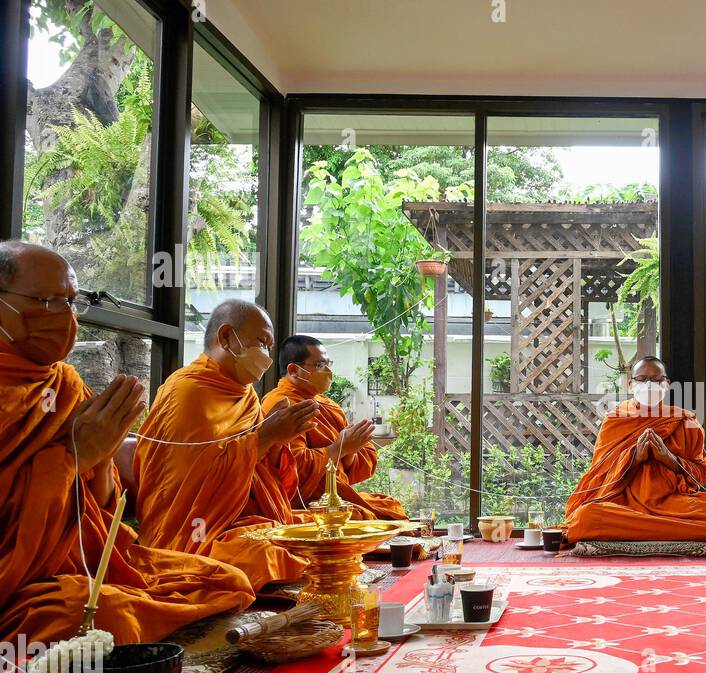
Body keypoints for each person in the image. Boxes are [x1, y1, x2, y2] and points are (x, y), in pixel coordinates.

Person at [0, 241, 253, 645]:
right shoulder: (191, 389)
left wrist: (98, 460)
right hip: (18, 581)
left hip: (90, 561)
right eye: (48, 301)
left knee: (228, 581)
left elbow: (101, 509)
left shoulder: (63, 384)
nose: (66, 317)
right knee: (103, 615)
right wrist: (73, 459)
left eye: (72, 302)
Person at [134, 300, 319, 591]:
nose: (267, 356)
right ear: (226, 337)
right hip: (194, 533)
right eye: (261, 342)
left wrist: (275, 441)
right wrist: (266, 437)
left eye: (270, 347)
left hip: (243, 520)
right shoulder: (188, 391)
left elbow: (268, 478)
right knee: (263, 555)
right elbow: (193, 485)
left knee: (316, 534)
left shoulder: (245, 396)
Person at [564, 356, 706, 547]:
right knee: (585, 519)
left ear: (667, 385)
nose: (649, 385)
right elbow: (599, 476)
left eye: (657, 380)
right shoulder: (615, 420)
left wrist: (669, 458)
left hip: (675, 503)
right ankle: (673, 532)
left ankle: (640, 532)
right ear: (630, 385)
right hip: (624, 504)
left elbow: (701, 474)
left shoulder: (685, 421)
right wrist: (634, 458)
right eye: (642, 379)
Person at [262, 335, 405, 520]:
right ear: (293, 370)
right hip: (304, 504)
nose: (328, 371)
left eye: (329, 364)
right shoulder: (282, 405)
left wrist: (349, 450)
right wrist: (339, 448)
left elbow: (358, 463)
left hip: (334, 497)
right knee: (375, 519)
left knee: (391, 508)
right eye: (320, 365)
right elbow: (292, 469)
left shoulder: (328, 405)